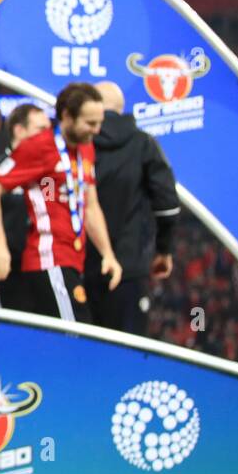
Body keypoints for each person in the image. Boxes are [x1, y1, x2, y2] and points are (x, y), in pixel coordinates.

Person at [0, 83, 123, 322]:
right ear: (67, 116)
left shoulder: (86, 149)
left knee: (67, 341)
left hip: (74, 260)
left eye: (99, 123)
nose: (97, 130)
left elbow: (90, 205)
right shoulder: (39, 147)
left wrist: (108, 253)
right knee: (75, 338)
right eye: (90, 123)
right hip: (49, 260)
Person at [83, 81, 180, 335]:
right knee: (127, 353)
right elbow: (168, 204)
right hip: (128, 267)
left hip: (78, 266)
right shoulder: (143, 144)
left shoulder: (77, 143)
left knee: (79, 351)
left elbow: (50, 194)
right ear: (121, 108)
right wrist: (163, 250)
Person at [0, 103, 51, 312]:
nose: (47, 136)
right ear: (19, 130)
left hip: (45, 265)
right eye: (41, 129)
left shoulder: (50, 173)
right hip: (7, 269)